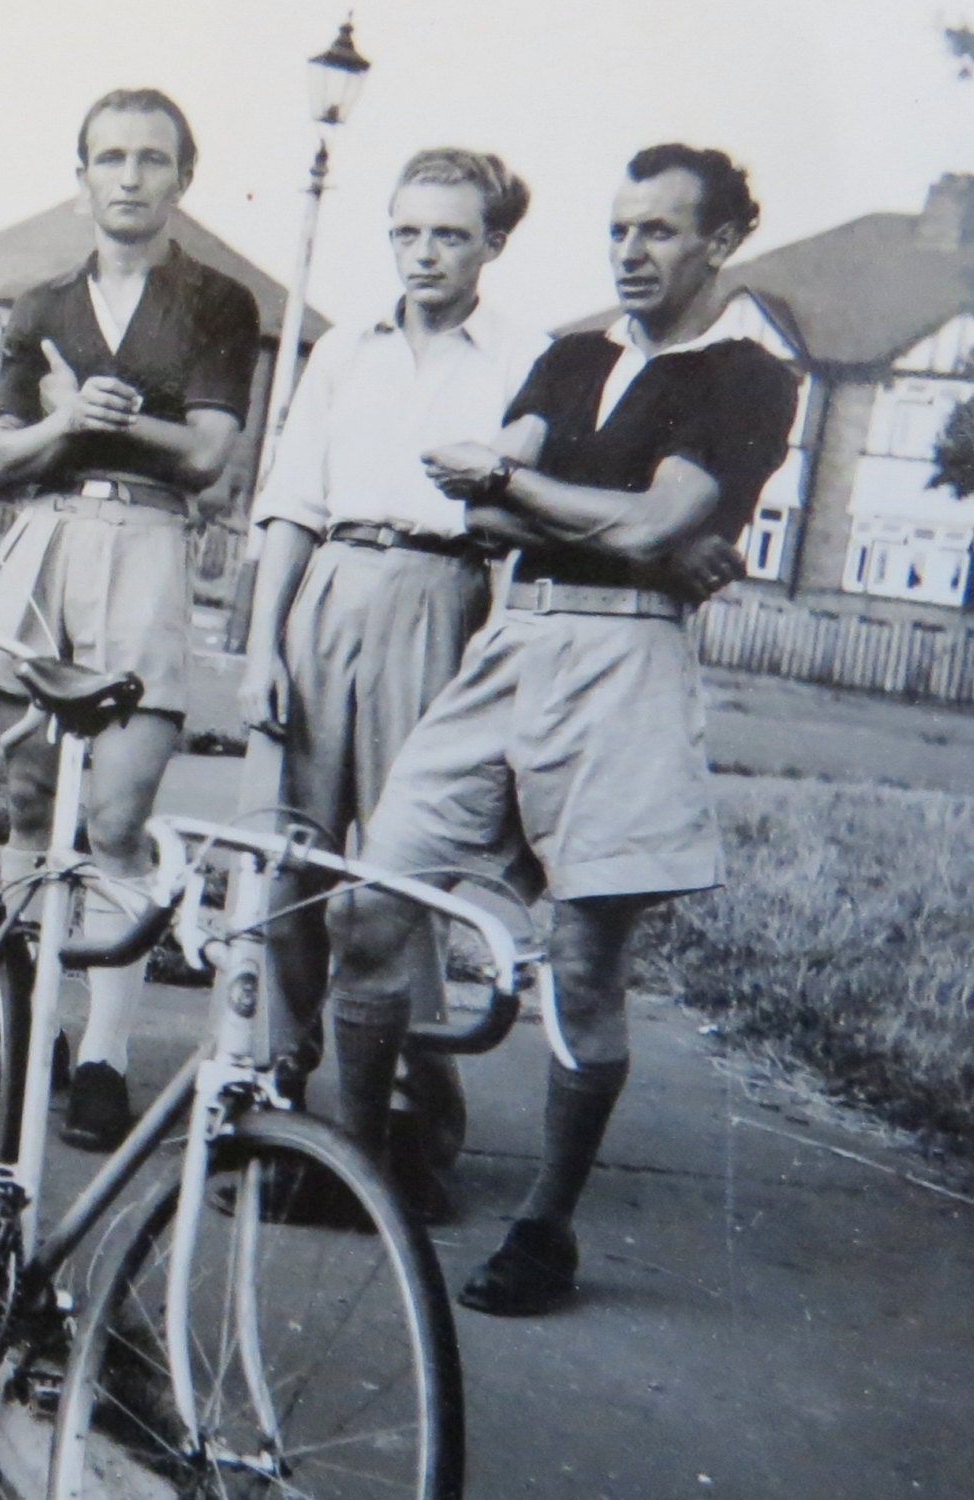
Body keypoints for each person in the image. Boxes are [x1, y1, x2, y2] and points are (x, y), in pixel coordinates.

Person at [323, 143, 799, 1310]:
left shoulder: (747, 377)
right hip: (513, 641)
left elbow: (648, 528)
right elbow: (490, 509)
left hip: (628, 660)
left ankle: (544, 1231)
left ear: (719, 243)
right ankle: (353, 1163)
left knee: (586, 962)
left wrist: (551, 501)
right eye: (620, 228)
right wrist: (604, 516)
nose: (631, 252)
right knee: (375, 902)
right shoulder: (573, 352)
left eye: (661, 231)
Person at [0, 88, 260, 1150]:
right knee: (31, 800)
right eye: (111, 158)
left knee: (119, 818)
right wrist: (63, 421)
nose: (131, 177)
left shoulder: (215, 303)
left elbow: (214, 456)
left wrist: (132, 424)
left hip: (147, 548)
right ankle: (17, 1022)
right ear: (81, 174)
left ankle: (103, 1057)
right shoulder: (40, 310)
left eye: (154, 159)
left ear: (183, 177)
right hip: (46, 543)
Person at [238, 148, 543, 1219]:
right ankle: (282, 1102)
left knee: (400, 883)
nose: (424, 254)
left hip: (442, 597)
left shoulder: (521, 358)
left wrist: (500, 666)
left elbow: (523, 530)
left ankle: (409, 1129)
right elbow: (291, 502)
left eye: (450, 234)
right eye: (407, 232)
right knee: (293, 866)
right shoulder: (344, 353)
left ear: (493, 244)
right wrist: (264, 645)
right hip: (328, 589)